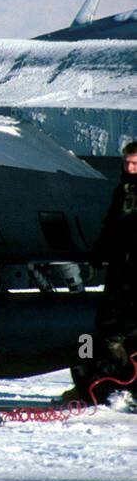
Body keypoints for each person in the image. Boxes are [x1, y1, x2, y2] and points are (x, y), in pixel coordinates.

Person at [77, 142, 137, 401]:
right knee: (109, 329)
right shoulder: (122, 192)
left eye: (135, 163)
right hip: (120, 275)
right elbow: (112, 227)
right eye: (127, 162)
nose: (130, 167)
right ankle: (125, 382)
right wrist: (99, 255)